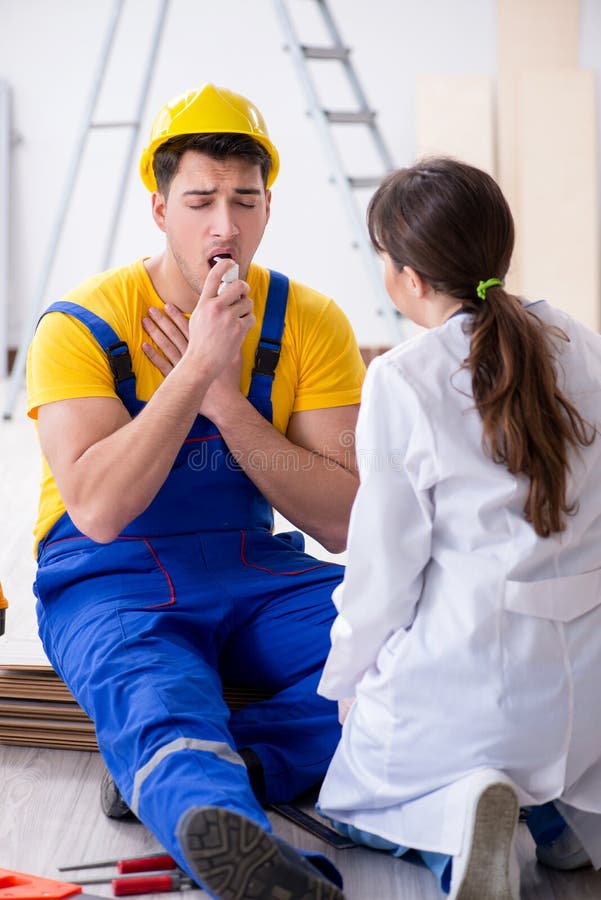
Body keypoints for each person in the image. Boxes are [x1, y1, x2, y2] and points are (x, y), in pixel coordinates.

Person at [26, 83, 366, 900]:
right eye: (201, 200)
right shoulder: (80, 325)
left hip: (257, 568)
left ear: (267, 206)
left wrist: (223, 396)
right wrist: (198, 366)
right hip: (109, 577)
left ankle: (208, 765)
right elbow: (100, 511)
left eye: (244, 201)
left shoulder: (309, 322)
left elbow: (345, 519)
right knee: (160, 696)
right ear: (158, 208)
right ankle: (244, 854)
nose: (225, 226)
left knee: (400, 660)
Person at [315, 157, 601, 899]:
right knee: (556, 756)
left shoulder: (403, 378)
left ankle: (460, 824)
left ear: (407, 276)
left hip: (474, 685)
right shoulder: (579, 340)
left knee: (348, 799)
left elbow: (383, 571)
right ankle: (559, 822)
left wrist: (348, 681)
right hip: (585, 690)